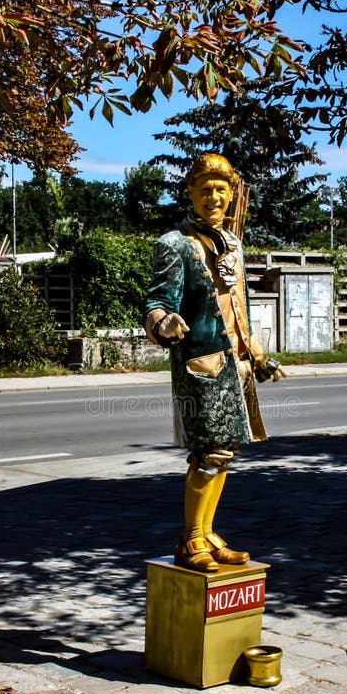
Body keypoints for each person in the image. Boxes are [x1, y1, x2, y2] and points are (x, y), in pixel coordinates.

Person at [144, 154, 285, 573]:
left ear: (231, 194)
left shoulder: (236, 245)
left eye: (222, 189)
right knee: (209, 453)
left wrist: (257, 356)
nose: (214, 196)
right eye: (205, 188)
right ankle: (191, 539)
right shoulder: (174, 244)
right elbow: (156, 301)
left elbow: (237, 307)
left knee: (225, 454)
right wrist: (163, 321)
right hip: (200, 363)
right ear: (190, 191)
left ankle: (206, 532)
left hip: (235, 365)